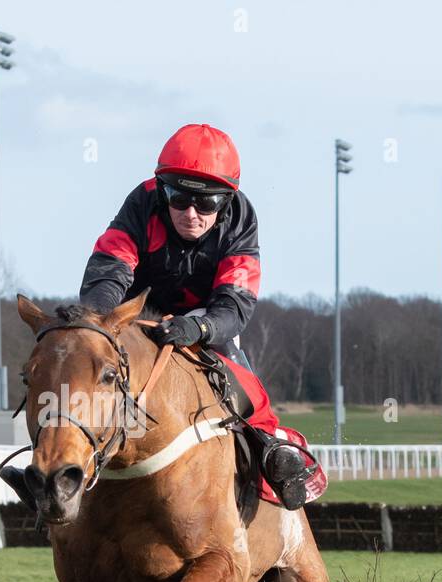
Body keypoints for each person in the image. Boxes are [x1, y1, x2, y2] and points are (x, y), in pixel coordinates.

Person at [77, 123, 317, 509]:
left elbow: (235, 303)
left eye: (206, 204)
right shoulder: (141, 202)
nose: (191, 213)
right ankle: (46, 467)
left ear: (226, 201)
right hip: (137, 315)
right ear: (162, 189)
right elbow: (109, 271)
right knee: (75, 364)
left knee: (248, 387)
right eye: (179, 198)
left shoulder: (241, 217)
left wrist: (199, 327)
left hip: (206, 317)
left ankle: (272, 450)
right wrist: (99, 321)